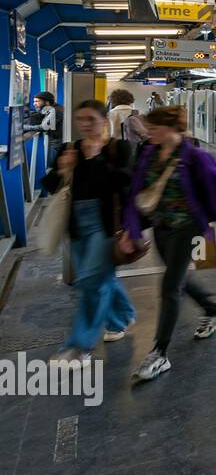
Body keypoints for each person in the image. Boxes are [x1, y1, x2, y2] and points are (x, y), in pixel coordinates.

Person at [124, 106, 216, 381]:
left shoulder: (196, 157)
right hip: (162, 227)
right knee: (178, 279)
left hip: (188, 228)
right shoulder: (149, 154)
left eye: (154, 128)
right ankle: (213, 310)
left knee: (170, 287)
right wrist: (132, 228)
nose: (148, 132)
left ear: (171, 128)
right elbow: (137, 191)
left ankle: (159, 353)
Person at [40, 100, 137, 364]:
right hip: (75, 222)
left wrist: (97, 159)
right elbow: (49, 185)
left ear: (104, 121)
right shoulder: (69, 149)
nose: (85, 124)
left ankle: (79, 346)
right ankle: (121, 317)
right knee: (101, 277)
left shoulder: (118, 148)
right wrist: (63, 169)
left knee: (91, 282)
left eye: (91, 119)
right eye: (80, 119)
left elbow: (125, 182)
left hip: (104, 223)